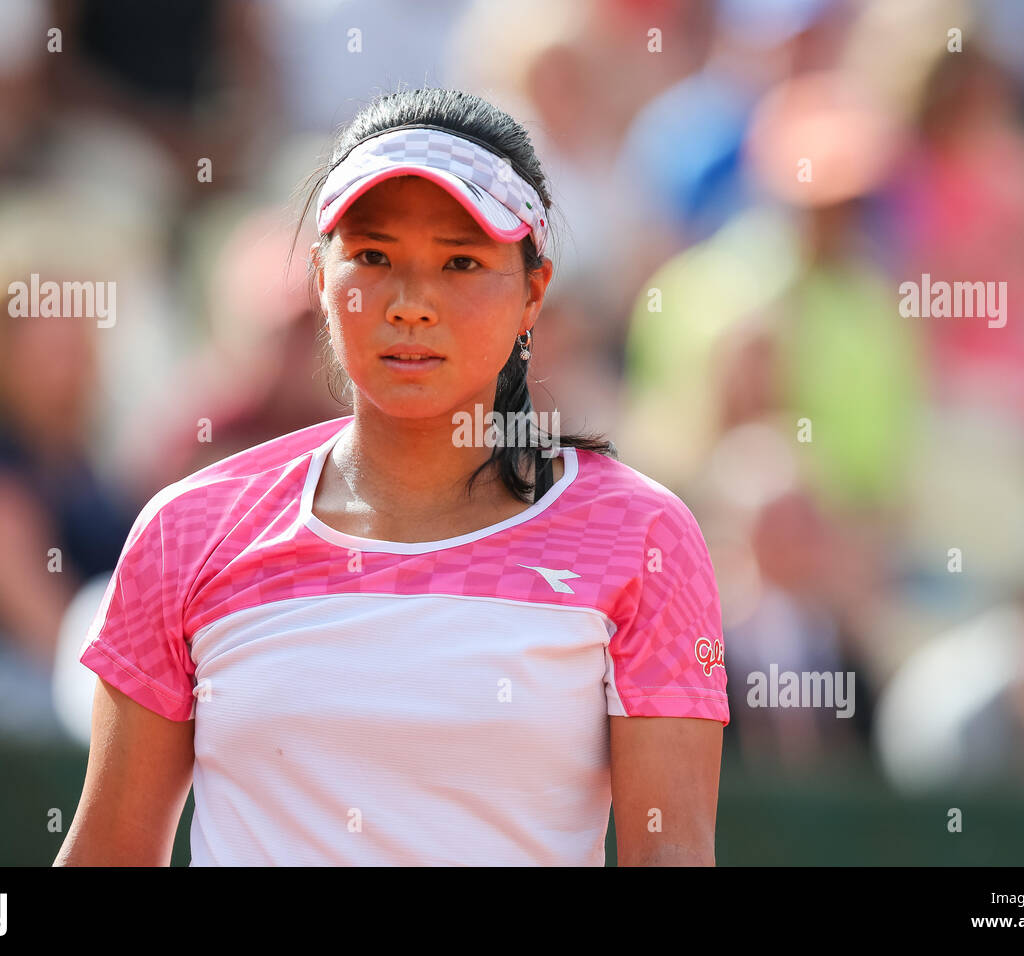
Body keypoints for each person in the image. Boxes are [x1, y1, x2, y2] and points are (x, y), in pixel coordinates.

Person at [55, 87, 729, 866]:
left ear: (532, 294)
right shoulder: (187, 530)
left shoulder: (644, 536)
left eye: (461, 263)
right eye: (373, 257)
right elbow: (107, 851)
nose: (411, 304)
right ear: (319, 276)